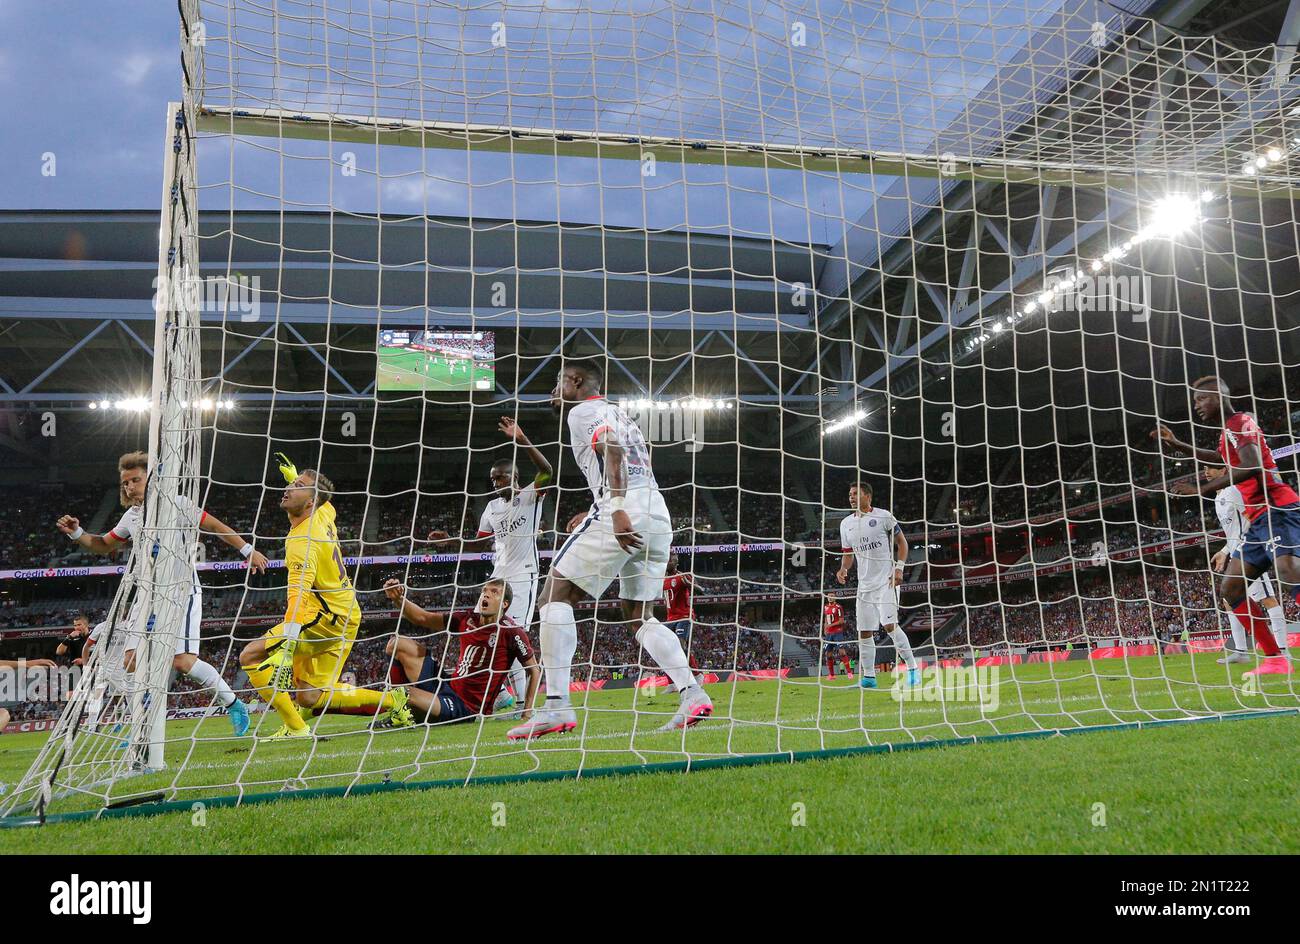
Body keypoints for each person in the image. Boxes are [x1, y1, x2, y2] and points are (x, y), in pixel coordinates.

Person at [507, 360, 711, 740]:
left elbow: (611, 449)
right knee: (638, 613)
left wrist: (615, 509)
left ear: (578, 381)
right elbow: (630, 463)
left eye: (558, 382)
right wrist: (607, 502)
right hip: (657, 512)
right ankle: (693, 693)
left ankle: (556, 706)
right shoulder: (620, 412)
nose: (553, 390)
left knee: (555, 593)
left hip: (624, 511)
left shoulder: (583, 411)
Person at [56, 451, 262, 735]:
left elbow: (214, 525)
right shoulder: (132, 516)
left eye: (135, 480)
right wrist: (77, 533)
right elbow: (104, 544)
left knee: (183, 662)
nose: (129, 487)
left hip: (181, 591)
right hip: (146, 595)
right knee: (131, 660)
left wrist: (247, 550)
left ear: (151, 479)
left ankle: (234, 704)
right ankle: (141, 727)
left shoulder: (177, 505)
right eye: (125, 482)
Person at [238, 456, 412, 739]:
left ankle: (296, 728)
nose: (288, 489)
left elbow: (297, 597)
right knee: (309, 697)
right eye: (291, 484)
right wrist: (296, 479)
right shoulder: (323, 512)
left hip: (323, 619)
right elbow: (324, 501)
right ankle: (395, 701)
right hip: (347, 614)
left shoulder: (302, 543)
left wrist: (287, 647)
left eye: (298, 486)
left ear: (310, 501)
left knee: (249, 655)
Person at [1156, 376, 1300, 676]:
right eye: (1195, 401)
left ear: (1220, 397)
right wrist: (1177, 444)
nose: (1197, 406)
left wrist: (1201, 489)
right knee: (1231, 589)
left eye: (1202, 399)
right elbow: (1219, 457)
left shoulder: (1241, 421)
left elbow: (1250, 466)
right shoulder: (1227, 433)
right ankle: (1275, 659)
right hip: (1257, 520)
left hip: (1277, 507)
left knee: (1288, 573)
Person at [429, 416, 551, 715]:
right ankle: (501, 696)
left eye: (500, 477)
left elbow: (547, 471)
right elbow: (478, 543)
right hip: (497, 576)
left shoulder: (530, 496)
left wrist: (522, 438)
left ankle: (524, 704)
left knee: (513, 635)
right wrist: (450, 541)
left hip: (523, 576)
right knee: (485, 632)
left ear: (514, 477)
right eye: (493, 479)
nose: (495, 483)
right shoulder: (492, 508)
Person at [382, 578, 540, 723]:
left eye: (494, 592)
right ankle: (402, 712)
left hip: (466, 707)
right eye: (484, 591)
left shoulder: (511, 631)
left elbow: (534, 670)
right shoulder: (466, 619)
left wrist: (526, 712)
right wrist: (398, 599)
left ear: (505, 604)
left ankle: (402, 713)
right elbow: (423, 618)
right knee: (396, 644)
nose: (486, 595)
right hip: (447, 684)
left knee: (405, 694)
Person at [836, 481, 919, 689]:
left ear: (868, 496)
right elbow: (848, 555)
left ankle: (913, 671)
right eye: (849, 494)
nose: (851, 497)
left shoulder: (883, 516)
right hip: (864, 586)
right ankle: (869, 678)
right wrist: (843, 569)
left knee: (890, 626)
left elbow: (902, 543)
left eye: (855, 493)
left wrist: (899, 567)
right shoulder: (846, 524)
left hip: (886, 582)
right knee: (864, 631)